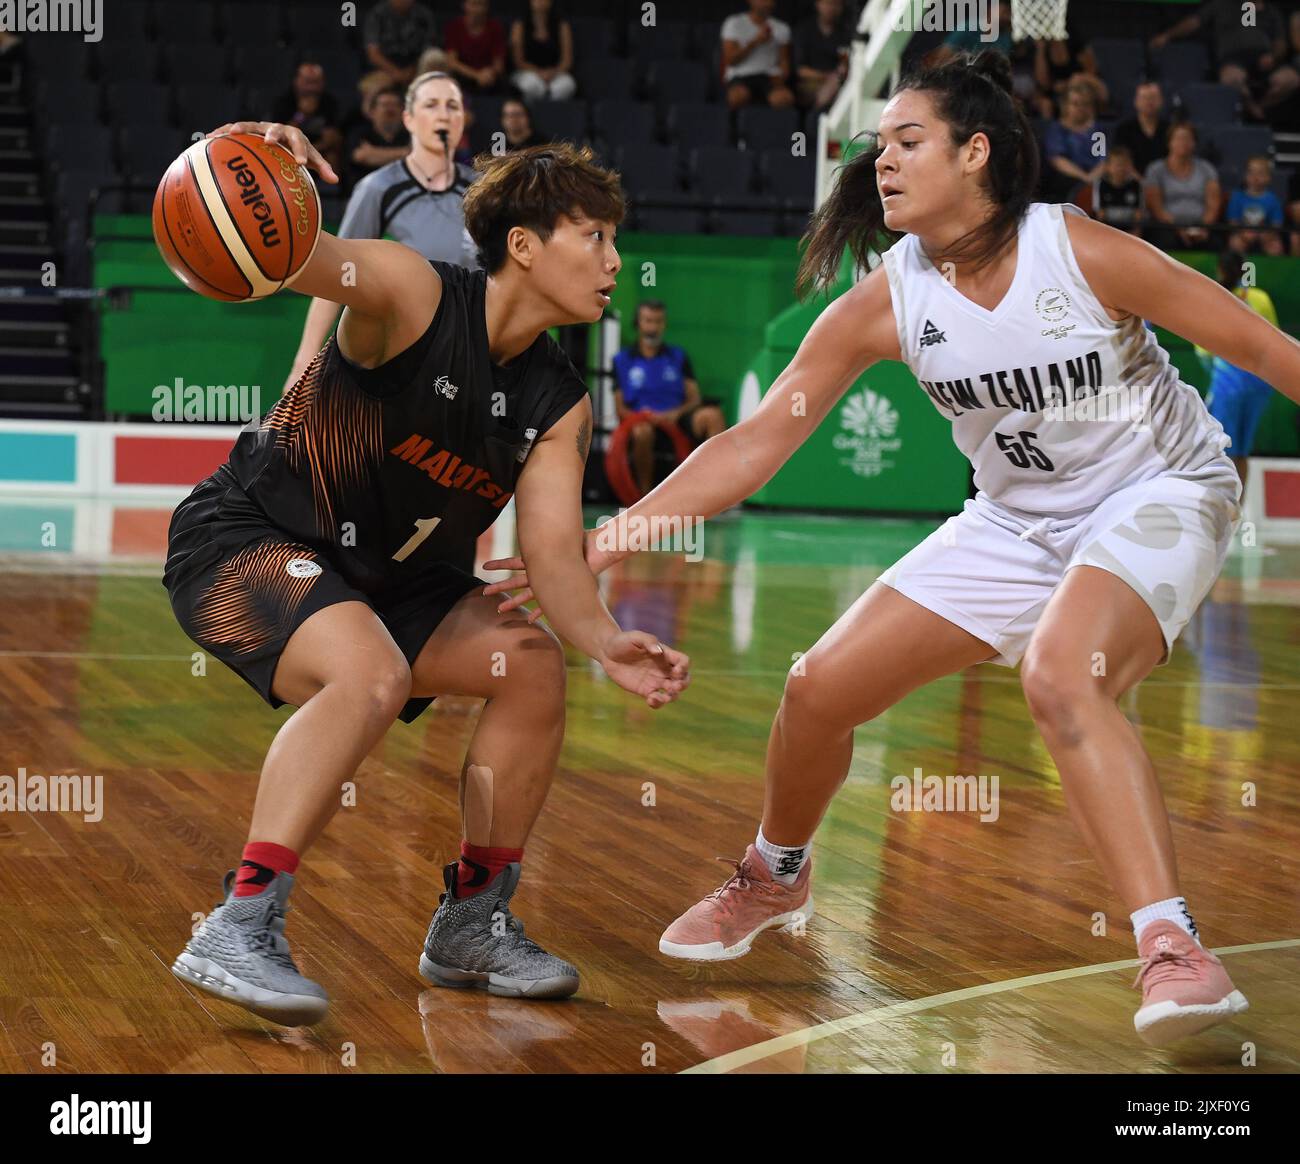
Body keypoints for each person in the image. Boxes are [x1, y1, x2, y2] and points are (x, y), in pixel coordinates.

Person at [488, 51, 1300, 1047]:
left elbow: (1264, 353)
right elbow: (753, 442)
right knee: (817, 687)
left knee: (1060, 672)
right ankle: (774, 875)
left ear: (976, 154)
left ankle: (1170, 945)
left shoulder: (1079, 251)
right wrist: (597, 545)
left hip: (1160, 492)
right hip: (1014, 520)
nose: (883, 161)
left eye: (908, 142)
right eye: (878, 146)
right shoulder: (887, 299)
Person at [165, 127, 689, 1025]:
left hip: (388, 583)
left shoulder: (556, 401)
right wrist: (261, 168)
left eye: (614, 240)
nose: (616, 261)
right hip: (247, 537)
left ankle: (471, 923)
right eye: (595, 237)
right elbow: (300, 256)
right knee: (371, 672)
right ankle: (239, 919)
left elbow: (554, 559)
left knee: (528, 663)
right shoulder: (410, 292)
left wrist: (607, 640)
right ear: (523, 246)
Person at [286, 73, 476, 393]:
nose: (444, 114)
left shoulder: (482, 190)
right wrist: (302, 365)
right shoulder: (379, 187)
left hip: (471, 358)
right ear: (409, 119)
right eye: (431, 105)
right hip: (404, 359)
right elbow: (338, 271)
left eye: (452, 106)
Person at [611, 301, 726, 496]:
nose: (653, 328)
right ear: (638, 323)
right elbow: (620, 408)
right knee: (642, 432)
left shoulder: (678, 356)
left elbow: (694, 398)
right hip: (642, 422)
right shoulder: (622, 360)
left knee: (713, 415)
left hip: (677, 420)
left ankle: (718, 491)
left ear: (664, 324)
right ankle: (645, 496)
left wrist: (674, 414)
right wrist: (644, 417)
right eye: (648, 321)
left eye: (658, 321)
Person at [1196, 250, 1280, 494]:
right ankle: (1238, 520)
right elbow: (1275, 342)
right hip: (1258, 386)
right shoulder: (1260, 298)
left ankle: (1219, 517)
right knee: (1242, 451)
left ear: (1220, 269)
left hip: (1227, 384)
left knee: (1217, 450)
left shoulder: (1215, 299)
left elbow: (1203, 352)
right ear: (1245, 270)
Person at [1149, 0, 1290, 120]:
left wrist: (1273, 56)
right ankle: (1250, 105)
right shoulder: (1222, 4)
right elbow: (1194, 22)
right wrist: (1167, 36)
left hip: (1265, 61)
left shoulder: (1272, 11)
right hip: (1233, 60)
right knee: (1232, 80)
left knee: (1289, 79)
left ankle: (1261, 106)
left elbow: (1281, 42)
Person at [1143, 122, 1219, 250]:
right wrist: (1179, 229)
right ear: (1169, 142)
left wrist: (1202, 228)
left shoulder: (1207, 169)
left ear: (1194, 143)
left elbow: (1213, 206)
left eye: (1188, 139)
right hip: (1167, 227)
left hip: (1199, 226)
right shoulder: (1155, 170)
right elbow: (1157, 208)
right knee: (1165, 241)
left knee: (1216, 243)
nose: (1183, 142)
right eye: (1179, 138)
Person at [269, 61, 344, 180]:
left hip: (319, 149)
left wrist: (311, 152)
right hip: (289, 149)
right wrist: (302, 115)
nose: (311, 88)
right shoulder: (284, 102)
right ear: (296, 81)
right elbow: (281, 135)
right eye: (307, 82)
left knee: (333, 156)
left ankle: (334, 188)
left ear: (323, 83)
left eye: (315, 82)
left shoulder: (329, 102)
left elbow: (332, 138)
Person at [721, 0, 795, 111]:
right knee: (737, 97)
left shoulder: (782, 28)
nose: (765, 3)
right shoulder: (734, 23)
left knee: (784, 99)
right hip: (740, 75)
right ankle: (733, 127)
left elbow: (784, 62)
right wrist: (755, 41)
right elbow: (731, 60)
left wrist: (781, 79)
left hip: (769, 76)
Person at [1042, 81, 1105, 201]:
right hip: (1066, 181)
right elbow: (1058, 160)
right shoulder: (1057, 129)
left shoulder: (1097, 130)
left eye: (1085, 104)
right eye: (1075, 104)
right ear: (1066, 106)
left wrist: (1092, 178)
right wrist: (1084, 178)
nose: (1081, 108)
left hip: (1094, 180)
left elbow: (1102, 160)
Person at [363, 0, 439, 93]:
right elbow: (373, 54)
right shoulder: (377, 14)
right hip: (386, 68)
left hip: (417, 66)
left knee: (436, 58)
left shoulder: (424, 14)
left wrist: (412, 71)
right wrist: (396, 73)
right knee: (373, 85)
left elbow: (429, 50)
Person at [509, 0, 576, 103]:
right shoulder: (519, 24)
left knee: (565, 86)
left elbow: (567, 61)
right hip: (527, 71)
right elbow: (518, 61)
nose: (540, 2)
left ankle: (553, 115)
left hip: (555, 72)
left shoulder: (562, 25)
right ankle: (529, 114)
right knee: (532, 86)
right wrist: (538, 72)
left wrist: (552, 72)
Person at [793, 0, 851, 113]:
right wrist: (827, 77)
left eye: (836, 4)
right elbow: (801, 70)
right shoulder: (804, 30)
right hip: (810, 81)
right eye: (827, 3)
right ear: (818, 4)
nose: (831, 8)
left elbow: (845, 64)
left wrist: (837, 76)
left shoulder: (845, 32)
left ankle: (819, 117)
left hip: (839, 81)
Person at [346, 85, 411, 182]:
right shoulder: (359, 133)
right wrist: (405, 152)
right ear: (372, 112)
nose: (390, 109)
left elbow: (420, 158)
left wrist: (374, 153)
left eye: (395, 105)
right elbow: (361, 157)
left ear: (403, 112)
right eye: (385, 105)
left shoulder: (411, 134)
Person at [1225, 154, 1285, 256]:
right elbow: (1233, 222)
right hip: (1242, 235)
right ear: (1245, 175)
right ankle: (1237, 270)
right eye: (1251, 172)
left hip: (1266, 236)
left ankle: (1272, 271)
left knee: (1276, 247)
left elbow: (1277, 224)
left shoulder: (1273, 199)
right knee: (1235, 242)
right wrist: (1243, 234)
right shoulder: (1237, 197)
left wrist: (1267, 235)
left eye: (1260, 173)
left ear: (1268, 177)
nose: (1255, 177)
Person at [444, 0, 508, 95]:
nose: (478, 10)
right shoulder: (455, 27)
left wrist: (489, 73)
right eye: (474, 4)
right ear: (465, 5)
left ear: (487, 7)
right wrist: (476, 75)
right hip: (462, 76)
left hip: (488, 78)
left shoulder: (495, 27)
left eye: (481, 5)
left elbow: (499, 65)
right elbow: (451, 62)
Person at [1114, 81, 1171, 179]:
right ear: (1136, 102)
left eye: (1153, 97)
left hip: (1165, 183)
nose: (1149, 102)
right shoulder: (1124, 130)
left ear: (1161, 101)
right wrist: (1141, 182)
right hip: (1131, 182)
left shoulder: (1171, 129)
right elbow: (1121, 160)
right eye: (1144, 98)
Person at [1090, 145, 1144, 234]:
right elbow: (1100, 215)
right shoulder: (1101, 184)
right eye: (1118, 165)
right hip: (1108, 231)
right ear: (1108, 167)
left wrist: (1135, 235)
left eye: (1125, 164)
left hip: (1129, 232)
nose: (1121, 168)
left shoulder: (1136, 185)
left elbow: (1138, 214)